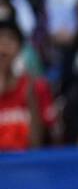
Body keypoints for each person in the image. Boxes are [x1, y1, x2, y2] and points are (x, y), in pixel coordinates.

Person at [0, 18, 56, 150]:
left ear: (20, 48)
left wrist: (32, 101)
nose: (2, 46)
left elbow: (39, 145)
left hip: (29, 167)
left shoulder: (37, 87)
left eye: (9, 40)